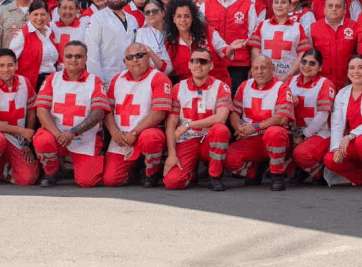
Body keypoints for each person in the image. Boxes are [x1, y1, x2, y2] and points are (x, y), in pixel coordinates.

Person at [32, 41, 110, 188]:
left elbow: (98, 113)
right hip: (57, 135)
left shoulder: (95, 81)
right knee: (42, 140)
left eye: (78, 56)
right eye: (69, 56)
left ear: (86, 59)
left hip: (84, 138)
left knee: (87, 182)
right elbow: (41, 110)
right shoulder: (52, 79)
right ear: (63, 58)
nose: (73, 59)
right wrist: (57, 134)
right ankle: (51, 171)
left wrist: (73, 132)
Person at [163, 47, 234, 191]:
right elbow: (171, 124)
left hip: (209, 139)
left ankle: (215, 175)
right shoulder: (178, 88)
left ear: (211, 65)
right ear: (189, 64)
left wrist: (189, 125)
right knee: (172, 182)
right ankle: (191, 172)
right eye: (194, 61)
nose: (198, 65)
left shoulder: (221, 87)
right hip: (187, 140)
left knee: (221, 130)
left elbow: (221, 117)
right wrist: (171, 154)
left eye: (203, 62)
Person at [102, 43, 172, 187]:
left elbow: (159, 114)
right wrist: (114, 132)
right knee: (111, 180)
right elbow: (107, 110)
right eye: (130, 57)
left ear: (148, 58)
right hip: (122, 137)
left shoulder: (159, 78)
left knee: (150, 138)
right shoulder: (117, 79)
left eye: (140, 56)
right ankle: (134, 169)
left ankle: (152, 173)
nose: (135, 60)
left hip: (144, 134)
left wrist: (134, 132)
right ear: (125, 61)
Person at [226, 55, 295, 191]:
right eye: (256, 68)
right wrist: (239, 127)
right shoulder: (244, 86)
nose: (259, 72)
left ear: (272, 69)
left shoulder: (282, 88)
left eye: (264, 68)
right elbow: (234, 112)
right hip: (251, 139)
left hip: (274, 138)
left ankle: (277, 174)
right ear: (251, 71)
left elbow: (282, 118)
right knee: (228, 159)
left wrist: (255, 127)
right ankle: (255, 170)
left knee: (275, 132)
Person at [323, 55, 362, 189]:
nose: (356, 71)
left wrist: (350, 136)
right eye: (352, 68)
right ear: (347, 72)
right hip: (350, 142)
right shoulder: (342, 93)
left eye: (361, 68)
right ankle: (359, 178)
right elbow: (336, 124)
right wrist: (336, 149)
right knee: (329, 159)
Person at [0, 49, 40, 187]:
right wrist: (22, 131)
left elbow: (31, 111)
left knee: (27, 179)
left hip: (16, 138)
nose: (6, 69)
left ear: (16, 65)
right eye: (1, 65)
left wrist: (26, 141)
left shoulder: (25, 83)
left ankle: (3, 169)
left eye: (10, 65)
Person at [286, 49, 336, 184]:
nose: (306, 66)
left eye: (312, 63)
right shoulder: (291, 81)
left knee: (302, 154)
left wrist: (304, 136)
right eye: (304, 62)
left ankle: (319, 175)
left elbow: (323, 115)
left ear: (320, 67)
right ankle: (302, 169)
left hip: (320, 133)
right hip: (295, 132)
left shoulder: (325, 83)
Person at [204, 0, 257, 89]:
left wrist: (254, 65)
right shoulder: (206, 6)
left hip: (239, 64)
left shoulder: (248, 6)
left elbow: (253, 37)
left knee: (236, 101)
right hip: (213, 64)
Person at [163, 0, 235, 84]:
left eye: (187, 16)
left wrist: (231, 48)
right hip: (189, 91)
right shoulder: (170, 43)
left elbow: (224, 51)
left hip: (217, 86)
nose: (183, 20)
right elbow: (167, 69)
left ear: (193, 18)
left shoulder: (208, 33)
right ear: (173, 19)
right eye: (179, 16)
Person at [85, 0, 141, 84]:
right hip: (106, 79)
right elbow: (92, 54)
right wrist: (97, 83)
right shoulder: (97, 18)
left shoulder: (132, 20)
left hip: (130, 79)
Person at [249, 0, 313, 80]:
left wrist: (288, 75)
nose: (279, 6)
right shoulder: (262, 25)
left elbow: (302, 54)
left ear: (290, 6)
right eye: (276, 2)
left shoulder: (298, 27)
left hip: (290, 80)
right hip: (265, 78)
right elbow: (255, 51)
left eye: (283, 2)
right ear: (272, 5)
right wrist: (267, 73)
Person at [9, 3, 60, 96]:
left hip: (52, 82)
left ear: (48, 15)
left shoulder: (50, 32)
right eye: (35, 14)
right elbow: (9, 59)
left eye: (43, 14)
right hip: (32, 85)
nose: (39, 18)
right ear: (29, 15)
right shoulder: (22, 34)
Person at [309, 0, 359, 90]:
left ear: (344, 10)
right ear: (324, 9)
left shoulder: (355, 27)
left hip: (349, 83)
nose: (334, 9)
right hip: (322, 84)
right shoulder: (313, 28)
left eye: (338, 6)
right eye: (330, 6)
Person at [132, 0, 171, 75]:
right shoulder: (141, 32)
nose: (151, 14)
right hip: (151, 76)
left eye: (155, 11)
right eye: (147, 12)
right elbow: (141, 58)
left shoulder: (172, 31)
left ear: (163, 13)